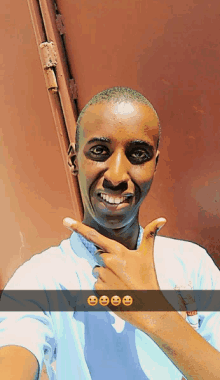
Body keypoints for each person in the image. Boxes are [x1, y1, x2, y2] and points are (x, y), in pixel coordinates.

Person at [0, 86, 220, 380]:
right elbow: (14, 355)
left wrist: (156, 316)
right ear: (74, 159)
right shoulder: (40, 280)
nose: (116, 175)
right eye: (99, 151)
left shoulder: (193, 265)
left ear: (155, 164)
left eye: (138, 154)